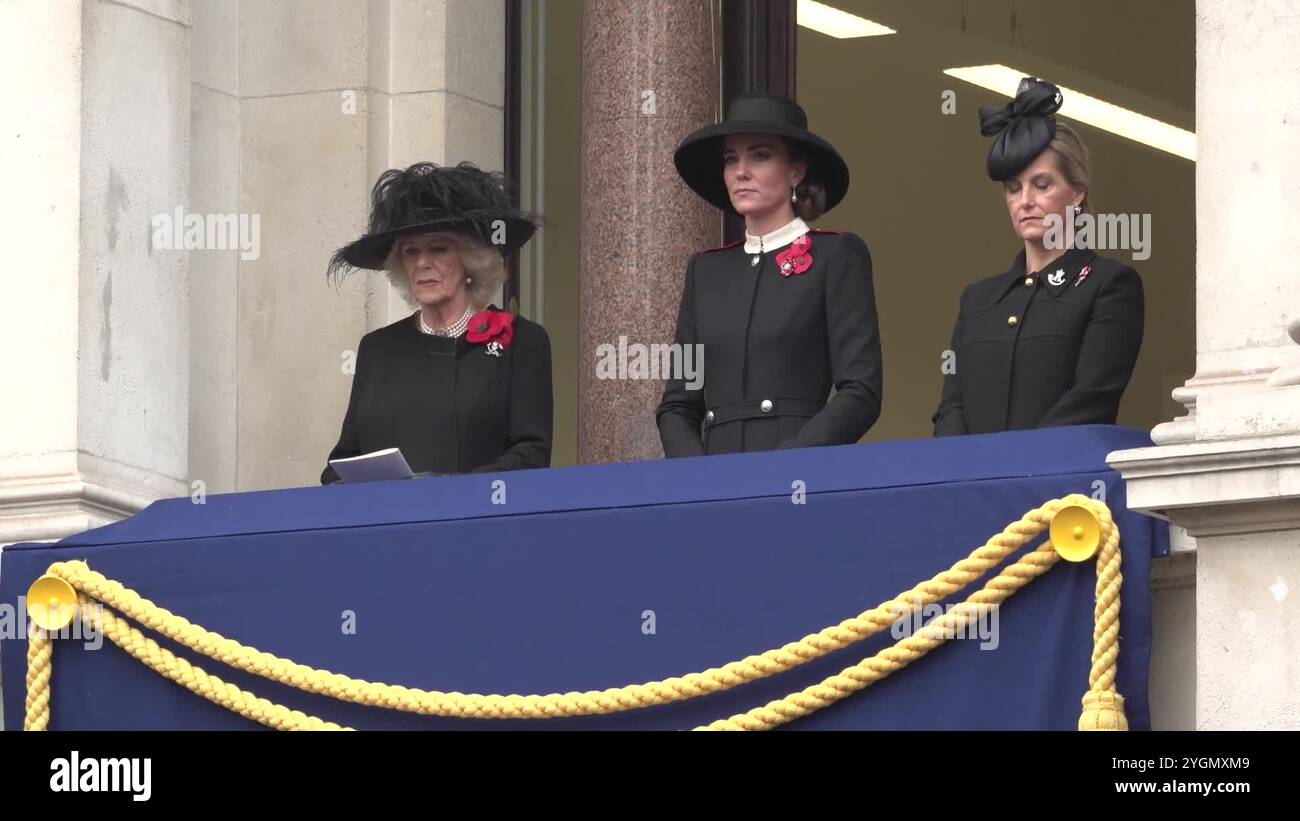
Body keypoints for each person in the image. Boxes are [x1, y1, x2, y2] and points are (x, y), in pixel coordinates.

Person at [656, 92, 883, 456]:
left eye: (760, 155)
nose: (741, 171)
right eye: (731, 159)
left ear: (797, 170)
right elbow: (679, 403)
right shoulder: (705, 271)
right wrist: (696, 477)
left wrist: (791, 462)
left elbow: (861, 391)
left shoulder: (835, 255)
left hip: (797, 479)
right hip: (714, 484)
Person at [932, 78, 1144, 436]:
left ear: (1076, 193)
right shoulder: (978, 299)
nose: (1024, 200)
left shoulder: (1108, 285)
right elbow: (953, 406)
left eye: (1042, 185)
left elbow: (1092, 398)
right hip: (975, 485)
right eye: (1013, 189)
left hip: (1058, 485)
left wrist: (1016, 462)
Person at [320, 161, 552, 483]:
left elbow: (530, 455)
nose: (423, 263)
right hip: (387, 527)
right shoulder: (377, 348)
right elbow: (340, 464)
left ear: (471, 259)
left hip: (476, 524)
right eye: (411, 252)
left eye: (439, 248)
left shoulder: (522, 342)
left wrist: (445, 491)